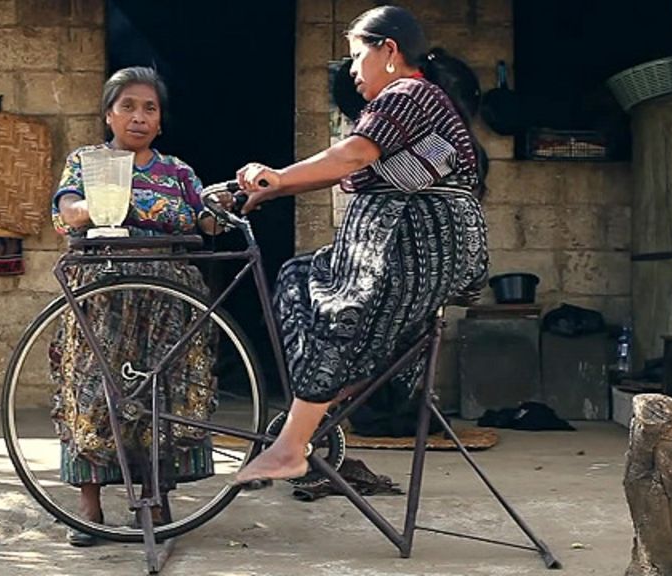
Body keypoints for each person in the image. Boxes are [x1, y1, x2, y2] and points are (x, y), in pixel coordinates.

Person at [232, 6, 490, 487]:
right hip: (434, 247)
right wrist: (273, 188)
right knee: (296, 278)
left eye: (356, 56)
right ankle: (313, 412)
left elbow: (353, 154)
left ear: (389, 51)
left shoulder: (407, 93)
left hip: (418, 244)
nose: (351, 71)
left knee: (337, 304)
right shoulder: (422, 102)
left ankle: (293, 442)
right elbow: (355, 168)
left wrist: (278, 175)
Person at [49, 66, 224, 546]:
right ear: (109, 114)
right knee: (92, 393)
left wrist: (230, 202)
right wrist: (106, 204)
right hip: (99, 295)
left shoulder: (178, 172)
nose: (139, 117)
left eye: (150, 108)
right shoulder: (85, 163)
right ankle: (89, 504)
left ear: (161, 122)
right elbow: (66, 214)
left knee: (160, 395)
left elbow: (205, 222)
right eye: (127, 106)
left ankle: (154, 497)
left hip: (168, 297)